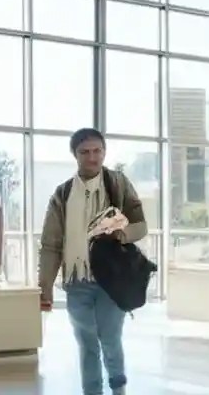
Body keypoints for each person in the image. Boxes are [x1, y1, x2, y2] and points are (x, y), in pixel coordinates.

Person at [37, 128, 148, 395]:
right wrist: (46, 286)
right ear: (74, 155)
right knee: (86, 344)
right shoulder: (62, 195)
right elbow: (51, 245)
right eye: (85, 152)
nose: (92, 157)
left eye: (97, 151)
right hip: (77, 281)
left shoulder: (118, 184)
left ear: (104, 152)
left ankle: (118, 389)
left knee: (110, 339)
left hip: (112, 280)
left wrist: (122, 234)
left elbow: (141, 226)